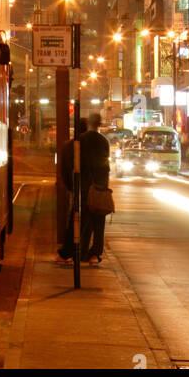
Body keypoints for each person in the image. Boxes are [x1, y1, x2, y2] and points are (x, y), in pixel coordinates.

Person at [79, 113, 111, 265]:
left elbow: (80, 165)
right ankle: (95, 254)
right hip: (100, 187)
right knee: (99, 223)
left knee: (85, 222)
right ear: (99, 124)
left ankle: (83, 251)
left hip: (86, 188)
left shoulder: (82, 140)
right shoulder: (104, 141)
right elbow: (106, 166)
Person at [56, 119, 88, 265]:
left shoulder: (68, 146)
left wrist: (70, 187)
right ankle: (76, 252)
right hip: (88, 188)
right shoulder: (87, 146)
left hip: (76, 188)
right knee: (85, 222)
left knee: (74, 220)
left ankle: (69, 252)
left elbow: (63, 170)